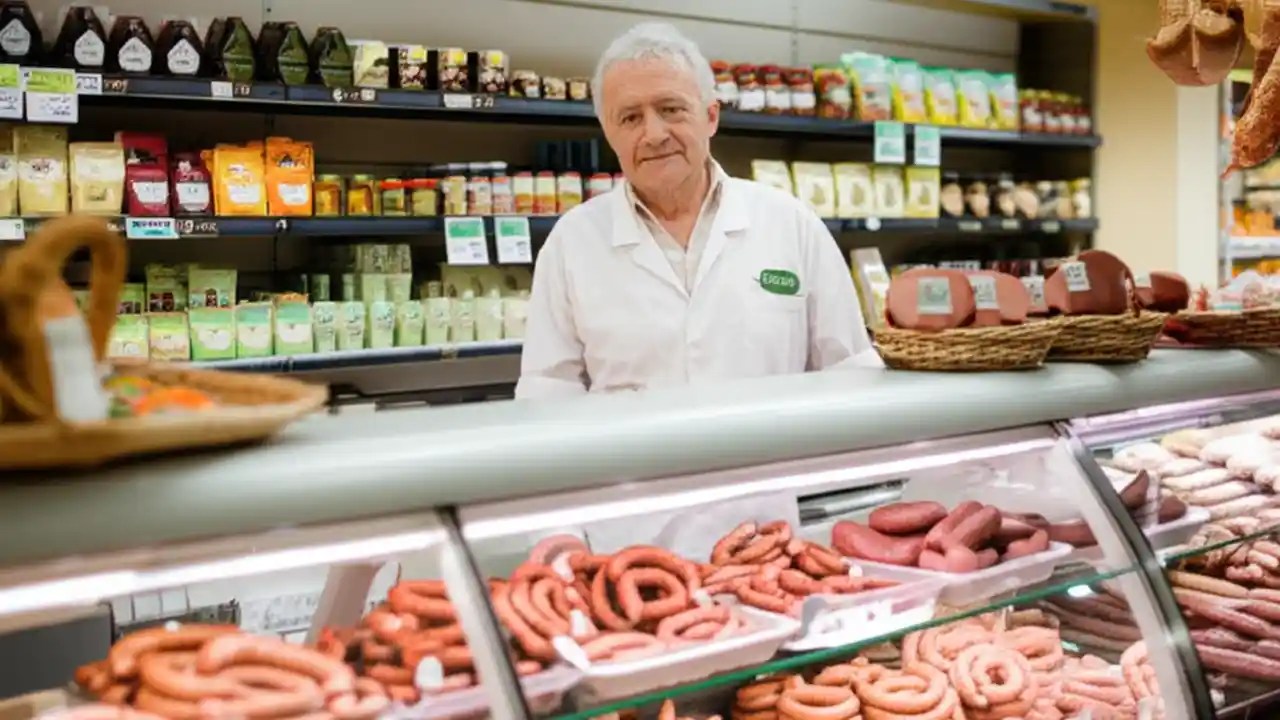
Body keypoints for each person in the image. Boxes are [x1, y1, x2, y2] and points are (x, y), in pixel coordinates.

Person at [515, 22, 881, 399]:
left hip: (771, 456)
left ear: (711, 117)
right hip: (633, 458)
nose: (654, 134)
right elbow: (548, 390)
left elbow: (849, 368)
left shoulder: (791, 223)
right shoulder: (572, 241)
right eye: (630, 117)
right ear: (608, 131)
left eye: (671, 109)